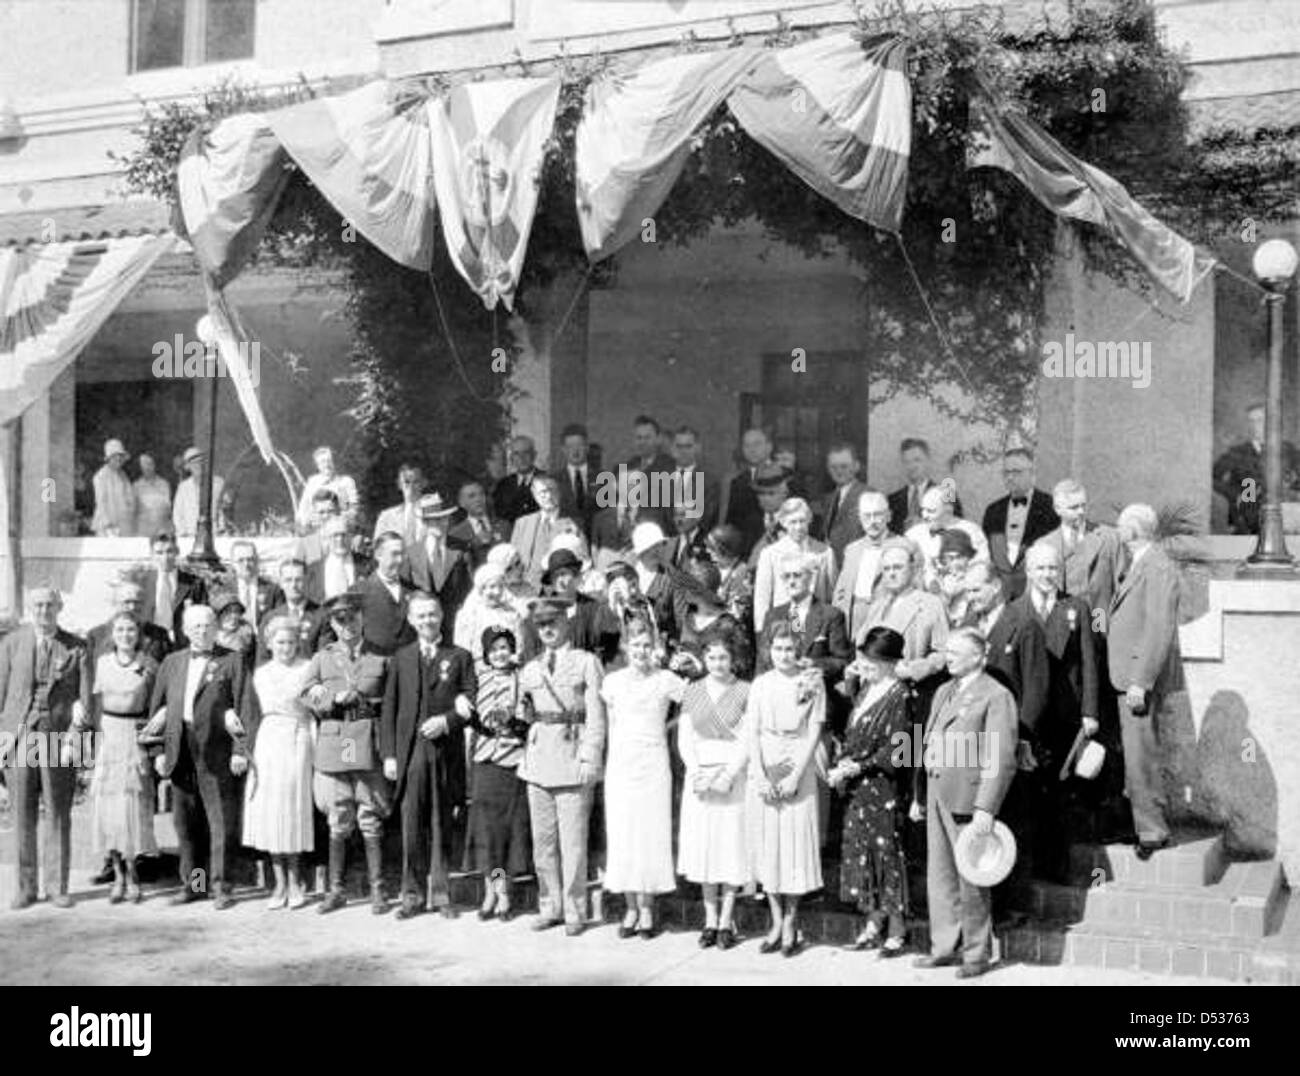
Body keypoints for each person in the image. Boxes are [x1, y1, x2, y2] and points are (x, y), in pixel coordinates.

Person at [911, 628, 1018, 979]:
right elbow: (926, 743)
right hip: (938, 791)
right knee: (939, 876)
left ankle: (976, 953)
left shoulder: (996, 695)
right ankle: (943, 946)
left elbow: (1000, 756)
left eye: (956, 652)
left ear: (978, 656)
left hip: (969, 799)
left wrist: (986, 807)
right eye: (947, 651)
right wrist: (919, 795)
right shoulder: (944, 690)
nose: (948, 657)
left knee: (972, 879)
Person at [145, 604, 251, 910]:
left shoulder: (232, 660)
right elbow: (157, 711)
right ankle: (196, 885)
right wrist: (157, 753)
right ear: (185, 630)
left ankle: (221, 887)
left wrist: (240, 750)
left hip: (217, 751)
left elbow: (244, 707)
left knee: (220, 823)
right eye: (196, 626)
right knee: (186, 823)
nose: (202, 631)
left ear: (216, 628)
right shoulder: (171, 662)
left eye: (207, 625)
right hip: (180, 748)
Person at [380, 593, 477, 920]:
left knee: (440, 824)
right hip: (410, 755)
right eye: (421, 616)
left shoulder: (460, 657)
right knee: (411, 826)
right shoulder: (402, 657)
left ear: (442, 617)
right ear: (411, 620)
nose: (427, 621)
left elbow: (470, 704)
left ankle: (441, 894)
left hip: (444, 753)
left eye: (432, 615)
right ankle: (411, 895)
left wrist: (447, 721)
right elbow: (389, 709)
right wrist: (390, 755)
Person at [516, 597, 606, 936]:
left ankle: (574, 909)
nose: (548, 630)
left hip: (572, 756)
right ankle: (549, 905)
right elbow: (524, 714)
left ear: (566, 622)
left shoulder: (586, 663)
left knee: (573, 842)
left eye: (553, 622)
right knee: (544, 842)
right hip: (538, 760)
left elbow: (597, 715)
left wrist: (590, 756)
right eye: (541, 625)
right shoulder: (530, 668)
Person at [0, 586, 91, 910]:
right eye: (38, 605)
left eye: (50, 605)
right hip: (20, 737)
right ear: (29, 608)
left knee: (58, 812)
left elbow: (86, 698)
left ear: (60, 607)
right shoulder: (11, 644)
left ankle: (56, 887)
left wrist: (77, 735)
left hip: (58, 737)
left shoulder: (77, 647)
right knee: (22, 813)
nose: (43, 611)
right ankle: (25, 888)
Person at [303, 592, 392, 915]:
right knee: (338, 817)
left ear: (362, 619)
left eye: (353, 618)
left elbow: (393, 698)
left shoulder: (381, 657)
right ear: (332, 624)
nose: (348, 626)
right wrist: (329, 699)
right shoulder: (322, 658)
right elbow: (304, 694)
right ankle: (336, 890)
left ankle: (378, 890)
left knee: (371, 815)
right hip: (335, 739)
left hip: (367, 740)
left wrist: (368, 703)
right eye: (340, 620)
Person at [829, 626, 913, 956]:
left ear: (891, 663)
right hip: (858, 788)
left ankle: (897, 926)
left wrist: (857, 767)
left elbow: (902, 750)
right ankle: (873, 921)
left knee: (886, 853)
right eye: (865, 658)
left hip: (883, 786)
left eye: (873, 660)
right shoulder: (866, 690)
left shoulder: (902, 695)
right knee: (864, 852)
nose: (866, 664)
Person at [600, 615, 684, 939]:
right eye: (635, 644)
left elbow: (696, 704)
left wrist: (668, 728)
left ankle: (648, 907)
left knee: (650, 832)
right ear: (625, 646)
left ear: (656, 648)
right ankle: (630, 906)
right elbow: (611, 726)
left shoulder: (666, 680)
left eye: (647, 645)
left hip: (653, 762)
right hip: (621, 764)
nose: (641, 650)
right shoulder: (612, 682)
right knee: (624, 833)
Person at [747, 620, 825, 956]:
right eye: (778, 648)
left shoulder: (811, 683)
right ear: (769, 650)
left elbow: (813, 732)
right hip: (766, 761)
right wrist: (760, 775)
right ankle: (775, 919)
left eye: (790, 649)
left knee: (794, 846)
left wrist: (796, 775)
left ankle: (792, 920)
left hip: (797, 764)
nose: (784, 655)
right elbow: (751, 732)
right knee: (770, 846)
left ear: (799, 650)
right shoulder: (761, 684)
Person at [1022, 541, 1100, 879]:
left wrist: (1090, 711)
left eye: (1053, 568)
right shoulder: (1017, 610)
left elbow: (1088, 663)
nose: (1047, 574)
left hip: (1066, 712)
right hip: (1030, 716)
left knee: (1060, 789)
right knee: (1030, 788)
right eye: (1040, 568)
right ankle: (1030, 862)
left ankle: (1056, 865)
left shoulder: (1076, 608)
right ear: (1028, 571)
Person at [1108, 503, 1182, 859]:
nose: (1118, 532)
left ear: (1134, 530)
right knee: (1133, 753)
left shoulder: (1158, 566)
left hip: (1137, 680)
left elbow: (1158, 628)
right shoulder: (1140, 562)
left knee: (1141, 754)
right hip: (1125, 677)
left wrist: (1142, 680)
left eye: (1122, 526)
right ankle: (1139, 824)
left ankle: (1152, 830)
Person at [676, 623, 751, 949]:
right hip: (701, 777)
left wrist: (729, 774)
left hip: (732, 778)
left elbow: (748, 738)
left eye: (723, 658)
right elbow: (685, 736)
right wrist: (696, 771)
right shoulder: (693, 691)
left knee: (730, 848)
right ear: (703, 658)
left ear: (733, 659)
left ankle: (726, 921)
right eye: (712, 657)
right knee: (705, 849)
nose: (717, 663)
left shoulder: (746, 690)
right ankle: (709, 919)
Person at [243, 615, 315, 910]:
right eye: (279, 642)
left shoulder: (308, 669)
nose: (285, 647)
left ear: (297, 642)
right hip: (269, 741)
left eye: (290, 642)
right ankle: (279, 883)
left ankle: (296, 881)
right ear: (270, 644)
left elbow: (311, 710)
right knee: (270, 811)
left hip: (297, 738)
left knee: (293, 808)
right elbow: (251, 713)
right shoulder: (260, 674)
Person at [88, 612, 159, 904]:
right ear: (112, 633)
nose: (125, 634)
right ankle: (116, 875)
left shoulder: (148, 664)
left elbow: (157, 706)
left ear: (138, 634)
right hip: (109, 735)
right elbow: (92, 706)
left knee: (132, 809)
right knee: (109, 810)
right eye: (120, 629)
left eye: (131, 629)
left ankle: (133, 874)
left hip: (135, 735)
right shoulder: (102, 663)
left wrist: (151, 745)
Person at [467, 626, 531, 920]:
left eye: (504, 647)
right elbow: (471, 715)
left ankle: (504, 890)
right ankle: (490, 889)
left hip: (510, 761)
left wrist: (513, 722)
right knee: (486, 832)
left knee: (507, 831)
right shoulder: (478, 679)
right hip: (484, 761)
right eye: (493, 650)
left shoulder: (522, 679)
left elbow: (529, 719)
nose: (500, 654)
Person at [982, 448, 1060, 600]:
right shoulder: (993, 510)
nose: (1010, 477)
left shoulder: (1051, 508)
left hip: (1036, 594)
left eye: (1016, 472)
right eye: (1006, 472)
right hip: (1001, 596)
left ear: (1032, 474)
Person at [1039, 478, 1124, 617]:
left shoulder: (1109, 538)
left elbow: (1122, 587)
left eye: (1083, 506)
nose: (1080, 512)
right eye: (1073, 507)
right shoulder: (1044, 545)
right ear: (1057, 509)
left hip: (1099, 620)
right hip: (1061, 624)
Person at [1212, 402, 1300, 534]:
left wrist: (1290, 492)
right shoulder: (1236, 452)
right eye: (1251, 421)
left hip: (1282, 520)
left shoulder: (1288, 450)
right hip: (1245, 521)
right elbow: (1213, 477)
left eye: (1259, 420)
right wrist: (1236, 494)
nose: (1254, 426)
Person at [753, 497, 836, 630]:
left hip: (816, 629)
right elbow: (762, 602)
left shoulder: (825, 553)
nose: (798, 527)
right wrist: (763, 638)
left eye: (802, 521)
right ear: (783, 523)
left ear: (809, 520)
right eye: (793, 522)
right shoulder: (770, 554)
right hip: (782, 631)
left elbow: (832, 596)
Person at [831, 490, 893, 639]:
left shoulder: (903, 546)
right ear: (860, 518)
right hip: (852, 620)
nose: (872, 521)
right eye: (867, 516)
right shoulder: (852, 549)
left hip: (885, 622)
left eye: (878, 515)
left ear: (889, 516)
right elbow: (841, 590)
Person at [406, 492, 472, 631]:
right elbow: (406, 588)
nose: (440, 524)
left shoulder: (462, 549)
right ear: (425, 522)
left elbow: (469, 586)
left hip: (455, 623)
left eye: (443, 519)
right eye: (433, 520)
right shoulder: (412, 553)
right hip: (423, 625)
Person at [906, 485, 988, 589]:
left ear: (948, 510)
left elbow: (981, 567)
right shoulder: (913, 534)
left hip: (962, 596)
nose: (924, 516)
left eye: (931, 511)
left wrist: (953, 589)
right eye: (923, 510)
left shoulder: (971, 531)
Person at [139, 531, 206, 649]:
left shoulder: (194, 583)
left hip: (182, 646)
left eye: (169, 551)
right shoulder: (142, 583)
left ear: (177, 552)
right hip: (149, 646)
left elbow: (203, 617)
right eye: (159, 553)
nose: (165, 558)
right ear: (151, 554)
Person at [887, 438, 964, 536]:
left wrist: (926, 526)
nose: (912, 466)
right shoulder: (892, 500)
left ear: (928, 461)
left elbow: (957, 530)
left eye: (917, 460)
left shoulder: (947, 493)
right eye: (906, 461)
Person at [356, 531, 415, 656]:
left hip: (406, 667)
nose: (400, 560)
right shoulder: (359, 592)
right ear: (378, 555)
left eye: (402, 554)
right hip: (373, 667)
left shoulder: (413, 591)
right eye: (394, 554)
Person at [259, 558, 327, 662]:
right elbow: (262, 660)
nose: (293, 585)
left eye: (298, 580)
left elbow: (324, 659)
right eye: (288, 580)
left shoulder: (322, 616)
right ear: (280, 583)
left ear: (307, 581)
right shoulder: (269, 618)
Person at [87, 580, 169, 664]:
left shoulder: (159, 634)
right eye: (127, 602)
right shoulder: (97, 635)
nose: (132, 607)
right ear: (116, 604)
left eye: (137, 602)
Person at [722, 428, 774, 557]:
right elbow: (732, 524)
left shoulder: (785, 478)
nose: (752, 450)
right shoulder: (737, 482)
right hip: (745, 555)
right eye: (747, 445)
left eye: (757, 444)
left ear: (769, 447)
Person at [455, 563, 523, 661]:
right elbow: (463, 651)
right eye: (491, 587)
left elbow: (518, 647)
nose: (496, 592)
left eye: (500, 586)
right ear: (481, 589)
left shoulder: (512, 614)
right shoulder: (469, 615)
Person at [511, 475, 568, 586]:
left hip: (560, 587)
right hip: (528, 587)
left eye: (552, 490)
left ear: (559, 493)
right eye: (543, 492)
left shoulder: (574, 523)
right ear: (534, 495)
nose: (549, 496)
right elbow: (513, 558)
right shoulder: (522, 523)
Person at [816, 443, 867, 561]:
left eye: (844, 466)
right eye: (833, 467)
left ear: (856, 466)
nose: (838, 471)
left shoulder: (868, 496)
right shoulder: (828, 499)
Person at [448, 479, 511, 569]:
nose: (478, 499)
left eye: (481, 494)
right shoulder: (455, 535)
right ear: (461, 503)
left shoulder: (504, 525)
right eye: (471, 496)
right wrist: (473, 544)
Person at [669, 426, 720, 535]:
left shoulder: (710, 482)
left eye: (688, 446)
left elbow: (708, 518)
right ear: (672, 449)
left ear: (697, 448)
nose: (683, 451)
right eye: (679, 446)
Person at [296, 446, 360, 532]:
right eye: (322, 462)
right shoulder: (312, 482)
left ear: (334, 462)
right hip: (316, 527)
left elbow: (354, 509)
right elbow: (303, 508)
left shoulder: (346, 482)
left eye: (329, 461)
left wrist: (340, 521)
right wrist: (304, 524)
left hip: (339, 528)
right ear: (317, 465)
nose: (326, 465)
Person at [706, 524, 755, 629]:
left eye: (712, 548)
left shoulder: (741, 573)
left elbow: (736, 614)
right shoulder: (716, 568)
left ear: (724, 550)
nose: (707, 551)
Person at [309, 516, 367, 604]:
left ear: (351, 536)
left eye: (343, 535)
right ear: (326, 539)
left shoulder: (367, 565)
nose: (340, 539)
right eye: (335, 535)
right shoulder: (312, 570)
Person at [171, 446, 225, 540]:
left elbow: (223, 510)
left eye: (200, 462)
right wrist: (183, 533)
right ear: (187, 466)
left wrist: (221, 530)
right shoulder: (183, 487)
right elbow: (177, 514)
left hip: (214, 537)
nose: (198, 466)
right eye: (193, 463)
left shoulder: (218, 483)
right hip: (190, 536)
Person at [229, 541, 282, 635]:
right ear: (232, 563)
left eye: (250, 559)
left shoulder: (273, 590)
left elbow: (279, 621)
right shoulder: (224, 589)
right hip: (231, 644)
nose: (246, 564)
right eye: (241, 560)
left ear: (257, 560)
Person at [745, 464, 792, 570]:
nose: (765, 499)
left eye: (771, 493)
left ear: (785, 492)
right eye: (761, 493)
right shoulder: (749, 523)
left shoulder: (796, 520)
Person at [373, 463, 427, 548]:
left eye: (416, 482)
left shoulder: (435, 516)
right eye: (407, 482)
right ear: (399, 484)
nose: (411, 487)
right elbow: (378, 551)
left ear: (424, 483)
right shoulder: (386, 517)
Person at [556, 423, 596, 537]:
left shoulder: (603, 478)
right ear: (563, 449)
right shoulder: (554, 480)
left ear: (587, 448)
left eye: (579, 445)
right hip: (565, 541)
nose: (575, 451)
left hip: (595, 540)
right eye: (570, 446)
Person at [493, 436, 545, 524]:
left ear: (534, 455)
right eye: (517, 454)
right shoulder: (502, 485)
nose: (522, 458)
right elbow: (499, 517)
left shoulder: (547, 481)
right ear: (511, 458)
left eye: (526, 452)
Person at [91, 438, 137, 537]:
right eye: (116, 456)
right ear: (109, 458)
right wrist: (108, 524)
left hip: (123, 525)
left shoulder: (123, 475)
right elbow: (101, 502)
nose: (119, 459)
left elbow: (129, 498)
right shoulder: (101, 476)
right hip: (107, 527)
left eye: (121, 456)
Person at [212, 592, 257, 669]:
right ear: (217, 615)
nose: (234, 616)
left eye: (237, 611)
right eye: (227, 612)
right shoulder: (208, 639)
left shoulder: (246, 640)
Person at [133, 452, 172, 539]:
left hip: (161, 531)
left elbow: (168, 509)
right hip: (142, 532)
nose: (147, 468)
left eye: (149, 464)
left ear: (154, 465)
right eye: (143, 465)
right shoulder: (136, 486)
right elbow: (133, 511)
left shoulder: (164, 484)